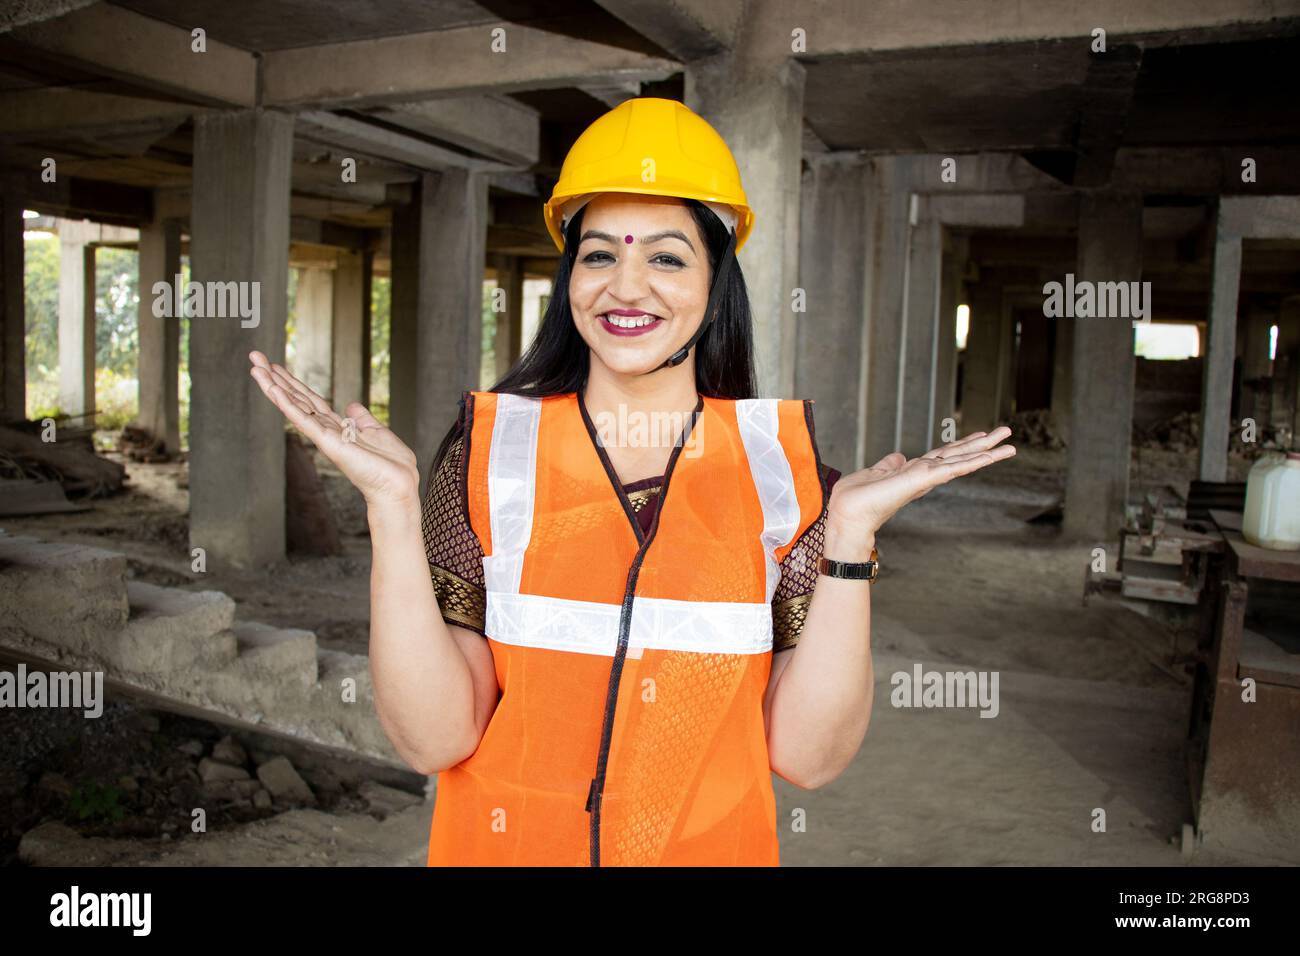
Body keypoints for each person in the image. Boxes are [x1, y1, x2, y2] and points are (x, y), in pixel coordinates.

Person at [249, 97, 1014, 867]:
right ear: (570, 276)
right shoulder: (489, 454)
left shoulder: (786, 477)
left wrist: (849, 542)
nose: (627, 285)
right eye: (600, 254)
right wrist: (389, 508)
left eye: (667, 256)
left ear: (717, 284)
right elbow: (435, 739)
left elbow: (809, 758)